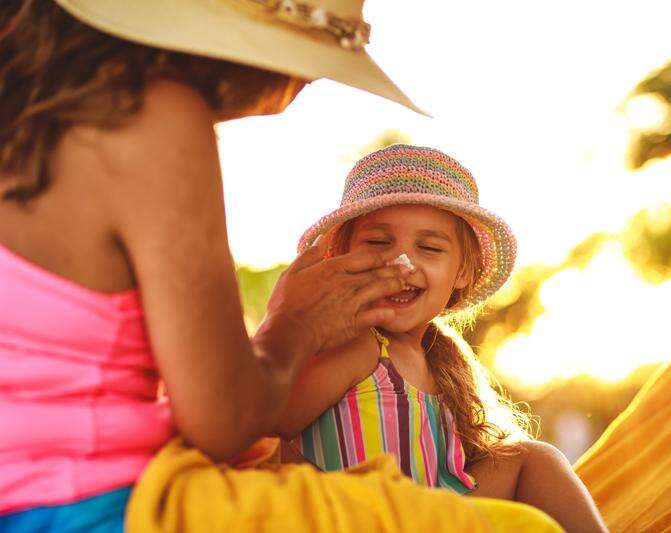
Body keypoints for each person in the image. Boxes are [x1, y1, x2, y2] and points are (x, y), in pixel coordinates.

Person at [0, 1, 565, 531]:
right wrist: (296, 324)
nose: (313, 77)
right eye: (314, 56)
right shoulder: (155, 115)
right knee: (526, 526)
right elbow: (222, 422)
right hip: (97, 507)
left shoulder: (29, 114)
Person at [275, 145, 608, 532]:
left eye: (429, 248)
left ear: (464, 271)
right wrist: (327, 495)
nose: (401, 262)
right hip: (362, 520)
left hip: (431, 517)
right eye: (378, 243)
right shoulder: (356, 346)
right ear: (341, 257)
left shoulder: (437, 359)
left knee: (533, 459)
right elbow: (263, 434)